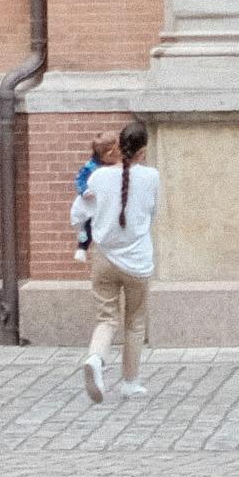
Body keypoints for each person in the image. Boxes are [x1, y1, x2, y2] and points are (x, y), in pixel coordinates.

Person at [73, 116, 156, 397]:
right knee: (135, 322)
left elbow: (80, 212)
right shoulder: (151, 177)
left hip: (103, 259)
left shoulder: (97, 177)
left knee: (106, 319)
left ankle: (95, 358)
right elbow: (151, 214)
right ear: (142, 151)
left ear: (119, 147)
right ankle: (130, 382)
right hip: (138, 262)